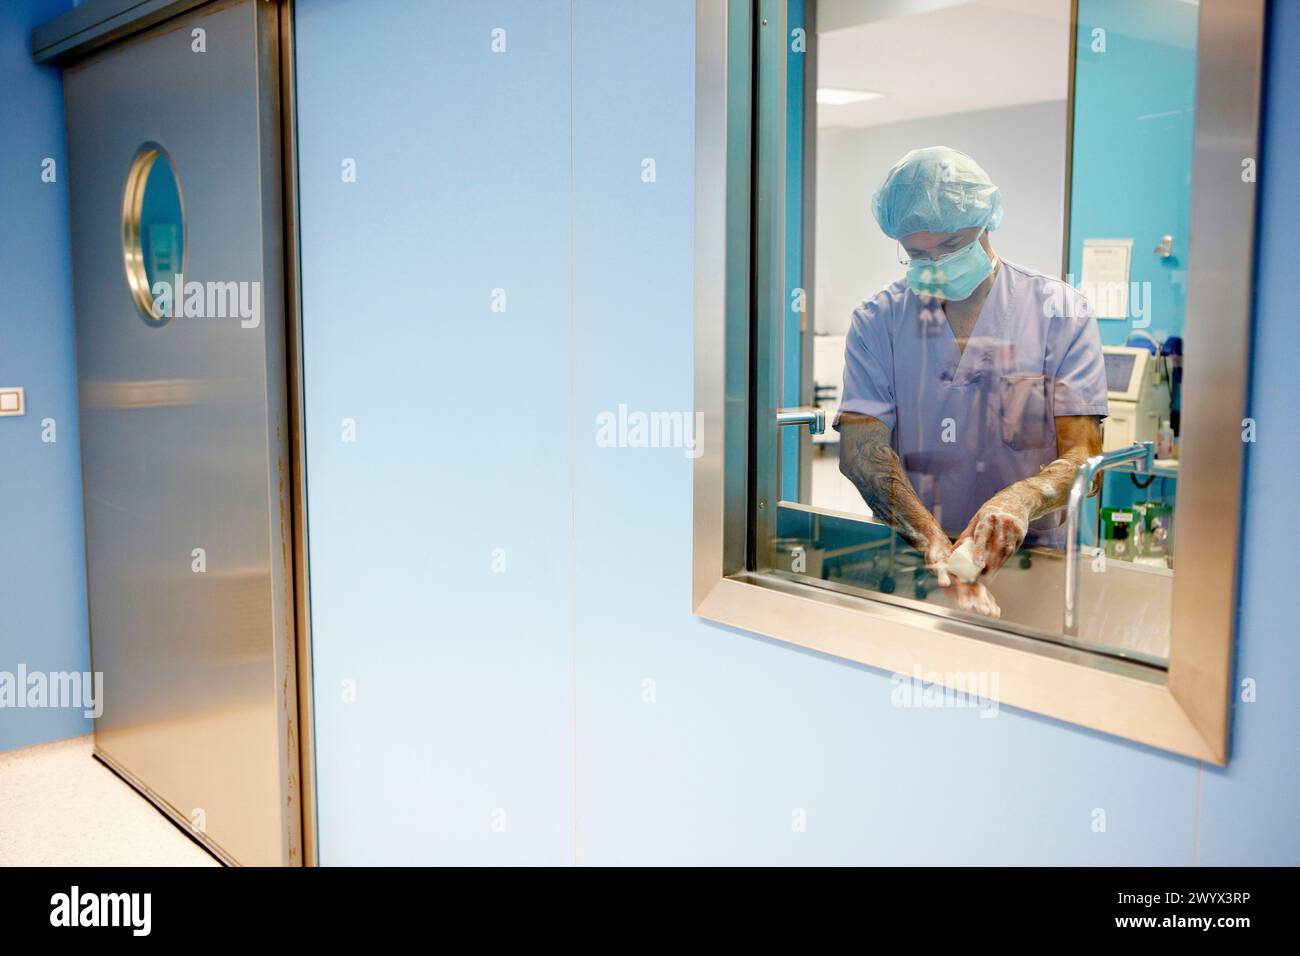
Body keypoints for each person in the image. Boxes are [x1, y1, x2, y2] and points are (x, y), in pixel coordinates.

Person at [835, 146, 1107, 617]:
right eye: (917, 253)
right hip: (916, 560)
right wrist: (933, 543)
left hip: (1037, 558)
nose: (935, 263)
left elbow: (1085, 455)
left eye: (951, 246)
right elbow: (861, 452)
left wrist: (1023, 499)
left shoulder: (1059, 311)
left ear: (986, 224)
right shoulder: (878, 320)